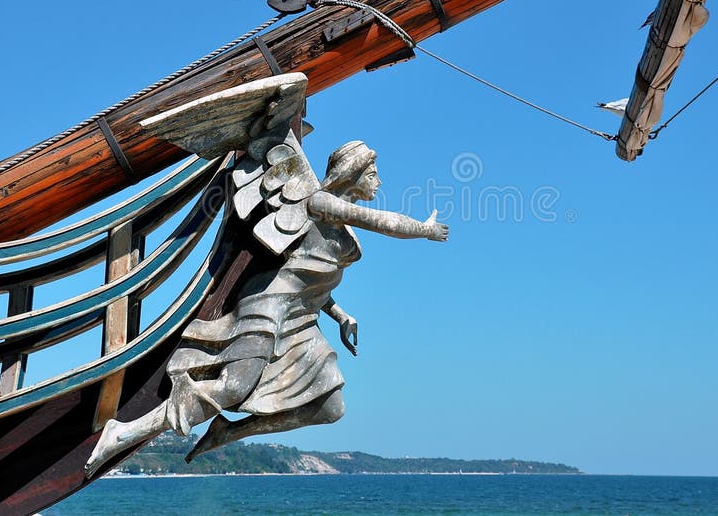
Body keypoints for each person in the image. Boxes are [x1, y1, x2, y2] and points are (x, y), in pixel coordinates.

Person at [85, 140, 447, 476]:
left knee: (330, 407)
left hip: (302, 320)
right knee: (232, 388)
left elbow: (310, 276)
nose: (379, 182)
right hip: (270, 306)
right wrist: (425, 229)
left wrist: (340, 315)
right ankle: (122, 432)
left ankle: (228, 431)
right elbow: (382, 223)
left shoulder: (341, 227)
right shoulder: (321, 203)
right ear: (352, 173)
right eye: (372, 174)